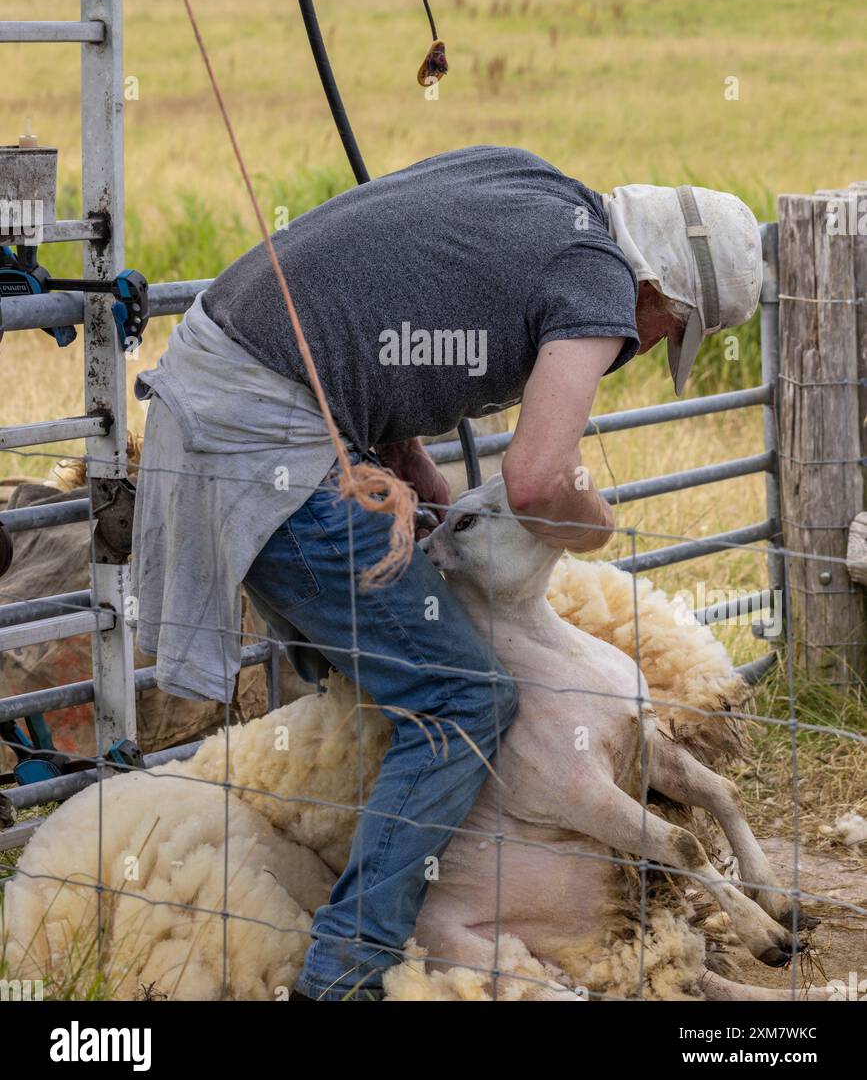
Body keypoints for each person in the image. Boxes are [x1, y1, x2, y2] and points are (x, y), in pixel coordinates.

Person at [130, 144, 763, 1000]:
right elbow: (541, 480)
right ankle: (342, 979)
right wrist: (595, 526)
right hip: (263, 433)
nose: (648, 348)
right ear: (661, 293)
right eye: (668, 336)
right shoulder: (596, 285)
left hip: (236, 383)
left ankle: (399, 888)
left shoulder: (533, 185)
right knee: (462, 699)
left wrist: (419, 478)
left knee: (415, 673)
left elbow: (373, 314)